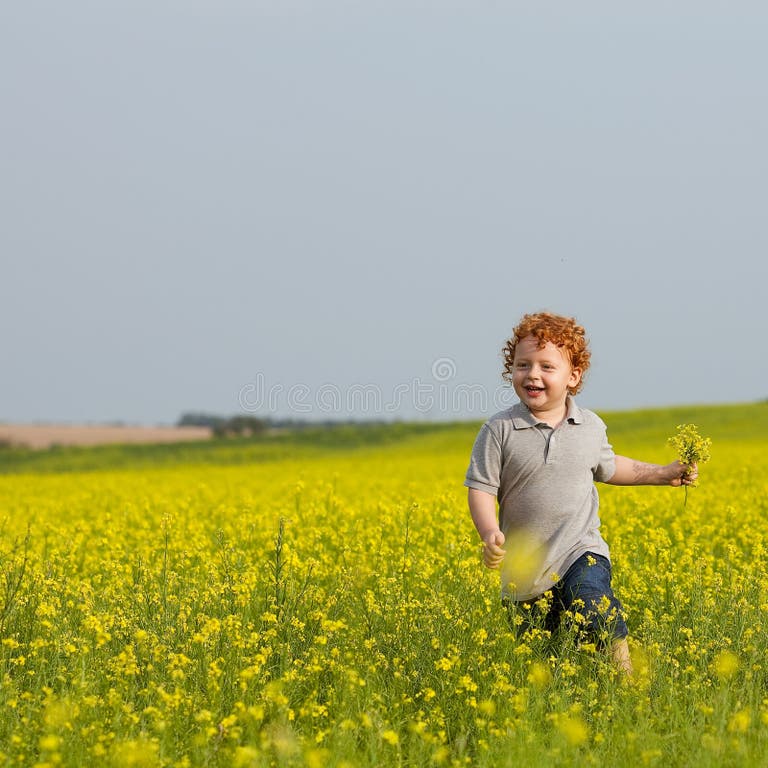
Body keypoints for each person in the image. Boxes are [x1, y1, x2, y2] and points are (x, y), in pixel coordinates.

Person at [465, 311, 697, 673]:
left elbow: (610, 466)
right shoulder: (499, 429)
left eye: (546, 366)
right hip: (524, 572)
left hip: (580, 550)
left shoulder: (589, 426)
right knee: (541, 664)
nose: (533, 374)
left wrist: (662, 472)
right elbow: (481, 488)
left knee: (595, 607)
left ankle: (627, 681)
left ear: (573, 376)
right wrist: (489, 532)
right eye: (522, 365)